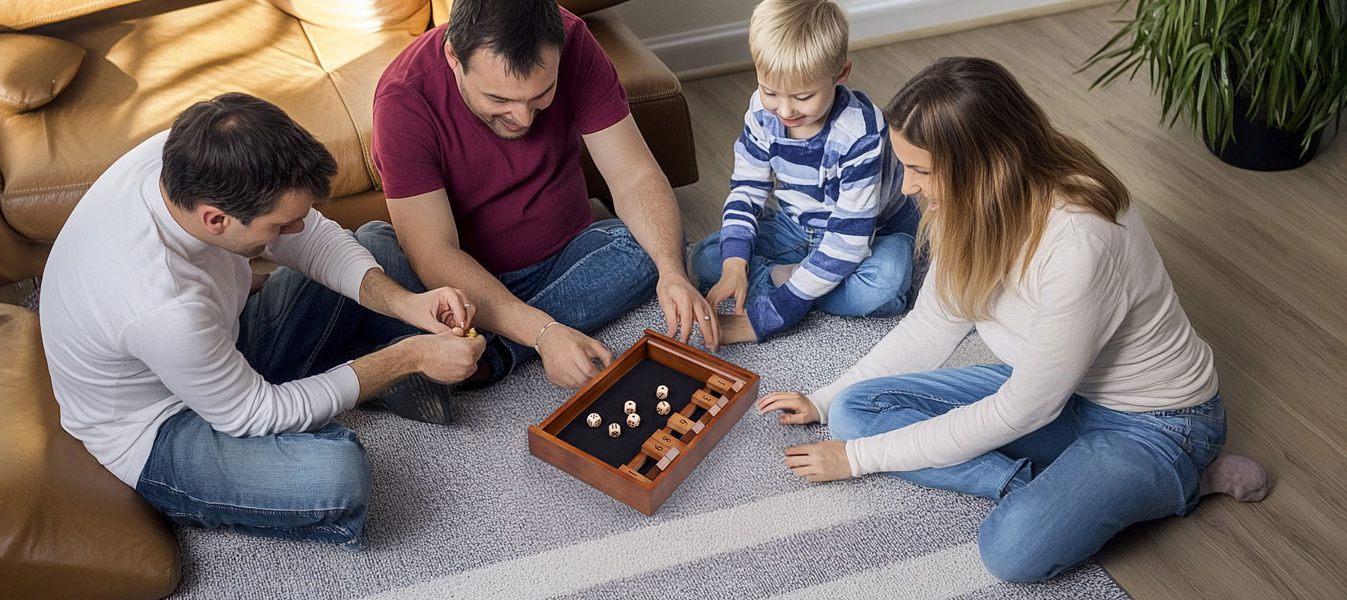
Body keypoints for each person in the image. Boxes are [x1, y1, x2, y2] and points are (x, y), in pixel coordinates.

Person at [757, 57, 1270, 581]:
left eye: (921, 170)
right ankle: (1042, 485)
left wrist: (858, 460)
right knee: (852, 411)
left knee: (1012, 549)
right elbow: (931, 326)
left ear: (983, 163)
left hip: (1155, 422)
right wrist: (822, 399)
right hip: (1055, 390)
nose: (908, 188)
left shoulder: (1080, 240)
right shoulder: (971, 203)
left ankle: (1186, 477)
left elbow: (1020, 411)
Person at [39, 93, 485, 549]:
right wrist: (406, 358)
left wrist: (406, 305)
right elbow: (257, 413)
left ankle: (370, 367)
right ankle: (374, 376)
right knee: (336, 477)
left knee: (376, 244)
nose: (297, 229)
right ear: (215, 220)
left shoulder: (185, 155)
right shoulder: (163, 306)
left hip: (222, 343)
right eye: (280, 225)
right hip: (159, 426)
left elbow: (311, 238)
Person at [368, 0, 715, 392]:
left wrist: (672, 272)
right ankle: (497, 339)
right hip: (462, 288)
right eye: (499, 100)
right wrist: (544, 332)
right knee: (371, 251)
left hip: (565, 261)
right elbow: (433, 251)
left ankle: (490, 354)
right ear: (454, 57)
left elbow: (634, 176)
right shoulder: (403, 97)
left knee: (651, 248)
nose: (523, 119)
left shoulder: (574, 41)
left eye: (540, 95)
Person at [692, 0, 917, 345]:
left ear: (841, 74)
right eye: (769, 91)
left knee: (885, 283)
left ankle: (797, 290)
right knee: (709, 259)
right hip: (795, 225)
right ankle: (808, 282)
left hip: (869, 233)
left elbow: (849, 240)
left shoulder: (862, 131)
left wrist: (767, 317)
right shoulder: (762, 112)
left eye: (803, 96)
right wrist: (735, 265)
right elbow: (747, 188)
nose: (785, 109)